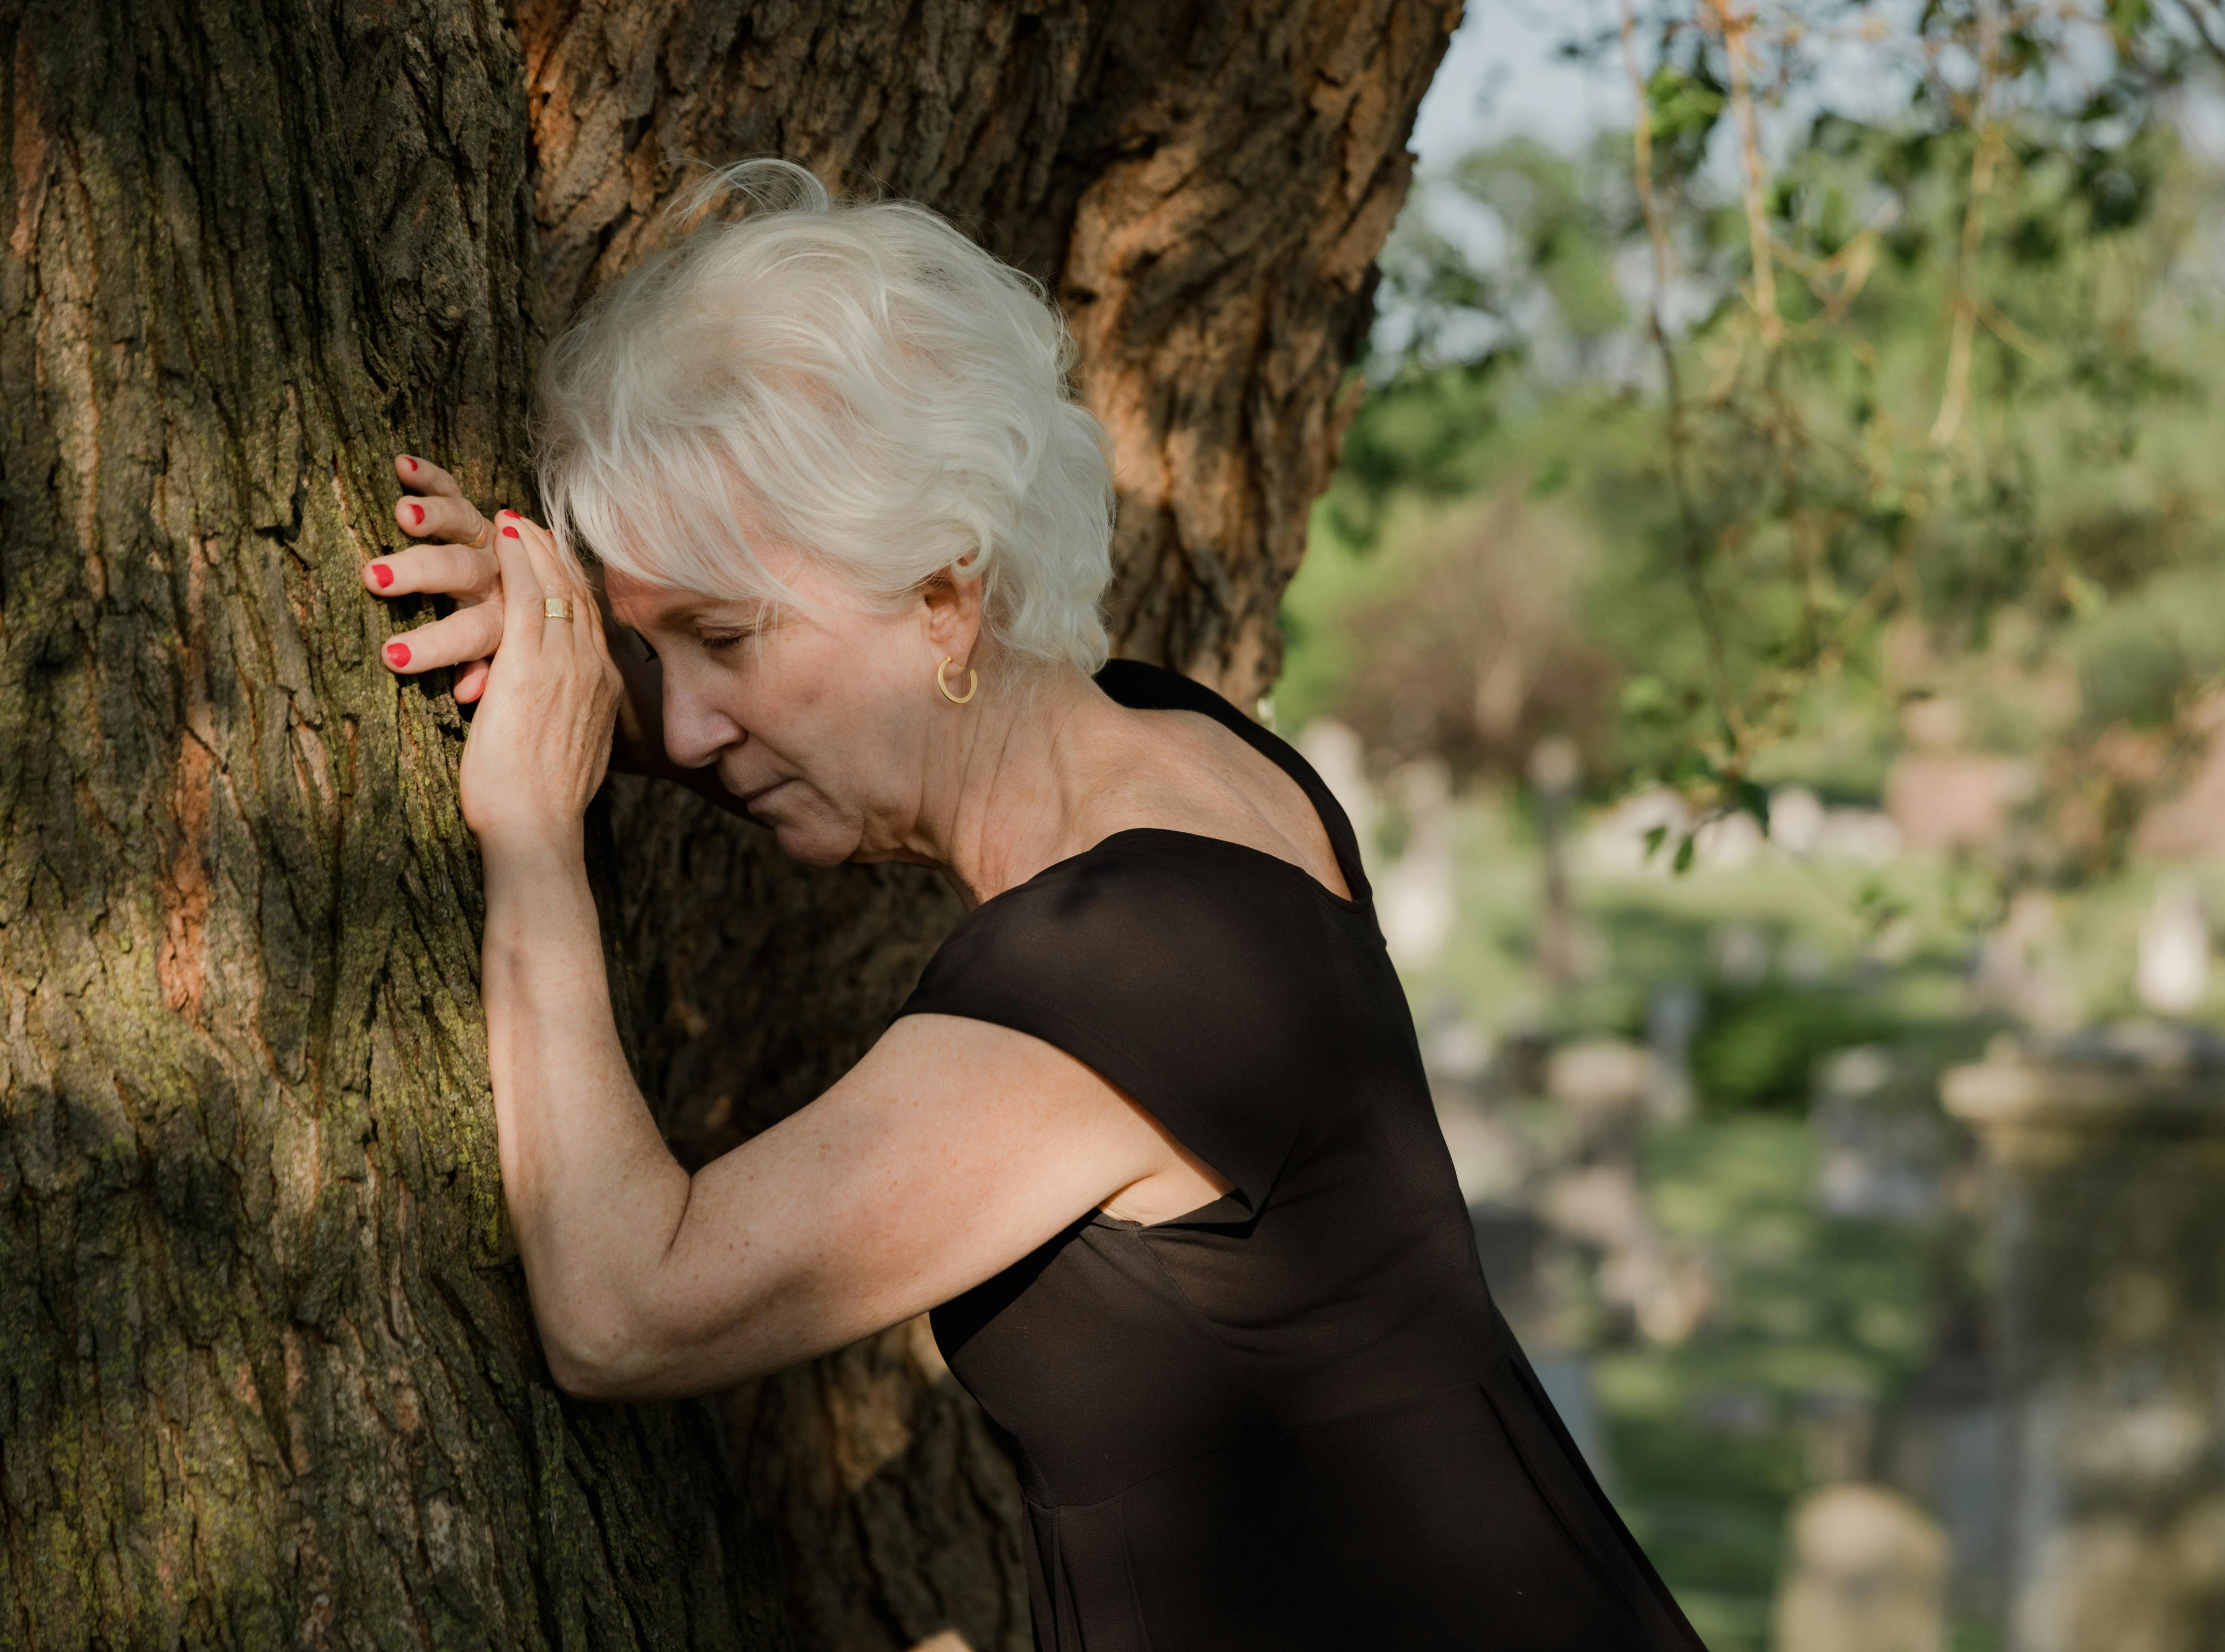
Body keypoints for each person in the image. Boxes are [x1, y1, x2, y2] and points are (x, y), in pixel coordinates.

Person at [365, 163, 1706, 1652]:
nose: (682, 723)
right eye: (655, 649)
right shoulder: (1186, 758)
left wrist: (532, 831)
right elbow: (833, 734)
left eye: (725, 640)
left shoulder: (1128, 973)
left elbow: (625, 1307)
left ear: (947, 597)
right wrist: (562, 657)